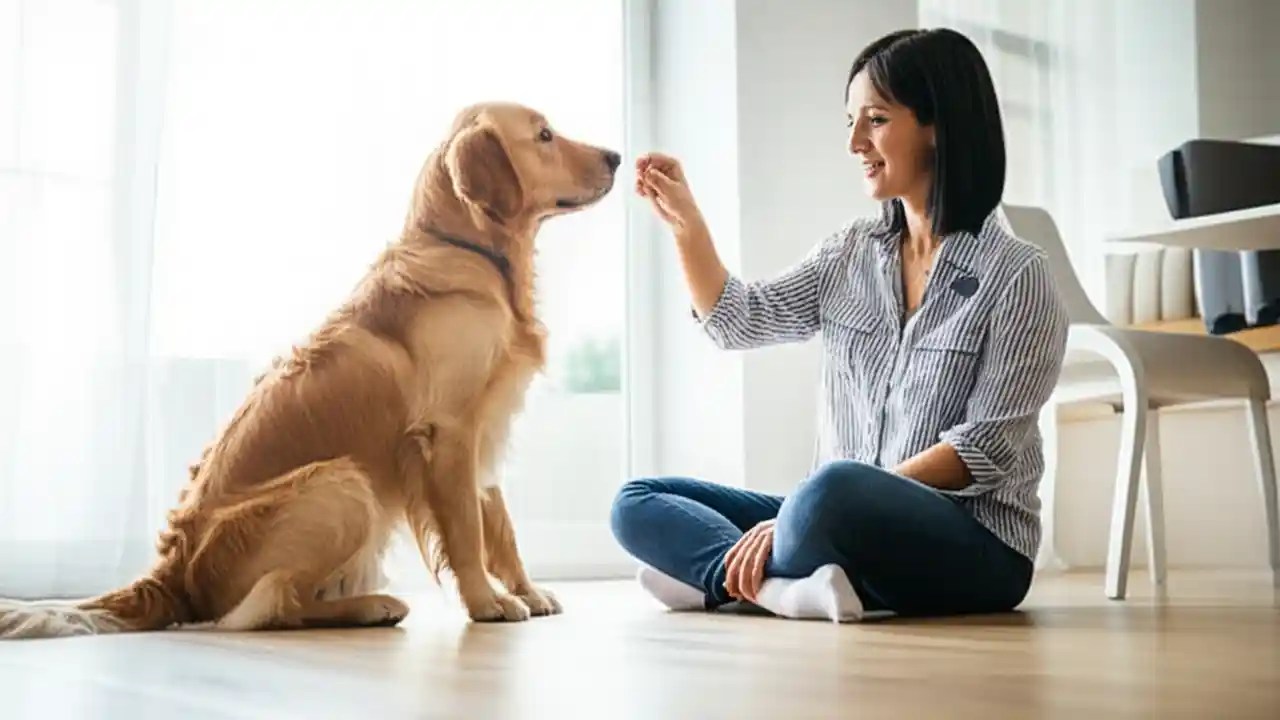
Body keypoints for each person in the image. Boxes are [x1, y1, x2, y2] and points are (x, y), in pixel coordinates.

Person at [610, 27, 1070, 622]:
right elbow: (737, 320)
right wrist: (685, 224)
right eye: (849, 121)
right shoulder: (850, 254)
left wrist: (823, 505)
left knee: (831, 492)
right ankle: (781, 590)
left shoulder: (1017, 275)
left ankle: (720, 580)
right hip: (834, 520)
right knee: (637, 502)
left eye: (874, 119)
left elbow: (983, 449)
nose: (854, 141)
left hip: (975, 545)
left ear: (937, 124)